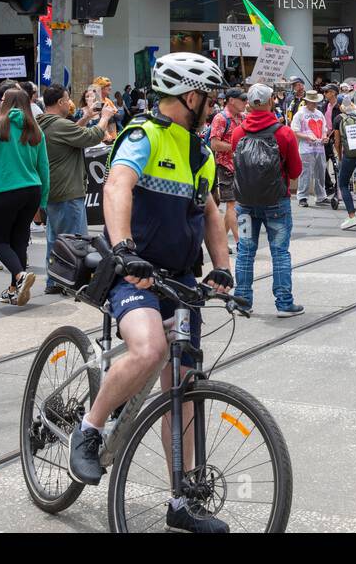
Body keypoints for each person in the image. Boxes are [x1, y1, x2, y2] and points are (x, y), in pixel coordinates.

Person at [68, 53, 236, 533]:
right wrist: (123, 249)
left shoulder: (199, 151)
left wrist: (223, 269)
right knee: (148, 349)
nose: (214, 103)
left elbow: (207, 212)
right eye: (210, 95)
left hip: (180, 280)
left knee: (182, 394)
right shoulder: (144, 135)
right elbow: (118, 185)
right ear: (190, 96)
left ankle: (181, 504)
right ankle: (89, 430)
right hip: (135, 272)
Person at [230, 83, 303, 317]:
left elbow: (236, 165)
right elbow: (295, 170)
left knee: (244, 251)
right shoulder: (283, 133)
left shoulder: (238, 133)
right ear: (271, 101)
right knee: (280, 252)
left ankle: (242, 301)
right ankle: (283, 303)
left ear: (250, 104)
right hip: (276, 202)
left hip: (244, 204)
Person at [36, 84, 117, 294]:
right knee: (75, 241)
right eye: (68, 98)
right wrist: (104, 117)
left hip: (52, 190)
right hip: (68, 191)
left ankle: (54, 281)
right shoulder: (59, 125)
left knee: (55, 239)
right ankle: (72, 283)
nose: (71, 103)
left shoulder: (44, 122)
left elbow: (72, 134)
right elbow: (90, 137)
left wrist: (86, 117)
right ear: (61, 102)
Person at [0, 87, 49, 306]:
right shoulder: (35, 130)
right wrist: (43, 200)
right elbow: (43, 167)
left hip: (5, 190)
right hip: (32, 190)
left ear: (4, 103)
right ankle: (12, 289)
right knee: (19, 239)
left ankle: (19, 275)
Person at [208, 88, 246, 249]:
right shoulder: (221, 118)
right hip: (226, 167)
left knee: (234, 205)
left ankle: (220, 242)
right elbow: (214, 144)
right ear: (231, 100)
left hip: (240, 167)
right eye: (242, 100)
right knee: (232, 205)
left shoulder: (242, 117)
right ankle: (240, 242)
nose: (245, 103)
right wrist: (235, 147)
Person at [332, 94, 356, 230]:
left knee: (343, 184)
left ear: (339, 106)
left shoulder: (338, 118)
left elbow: (337, 142)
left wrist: (340, 156)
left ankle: (351, 216)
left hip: (349, 155)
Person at [290, 90, 329, 206]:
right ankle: (302, 197)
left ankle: (321, 196)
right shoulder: (300, 114)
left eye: (315, 102)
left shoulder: (319, 114)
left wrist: (325, 137)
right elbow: (295, 131)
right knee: (306, 173)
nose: (314, 104)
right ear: (307, 101)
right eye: (312, 102)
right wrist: (307, 136)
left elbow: (324, 129)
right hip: (306, 148)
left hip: (319, 147)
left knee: (320, 172)